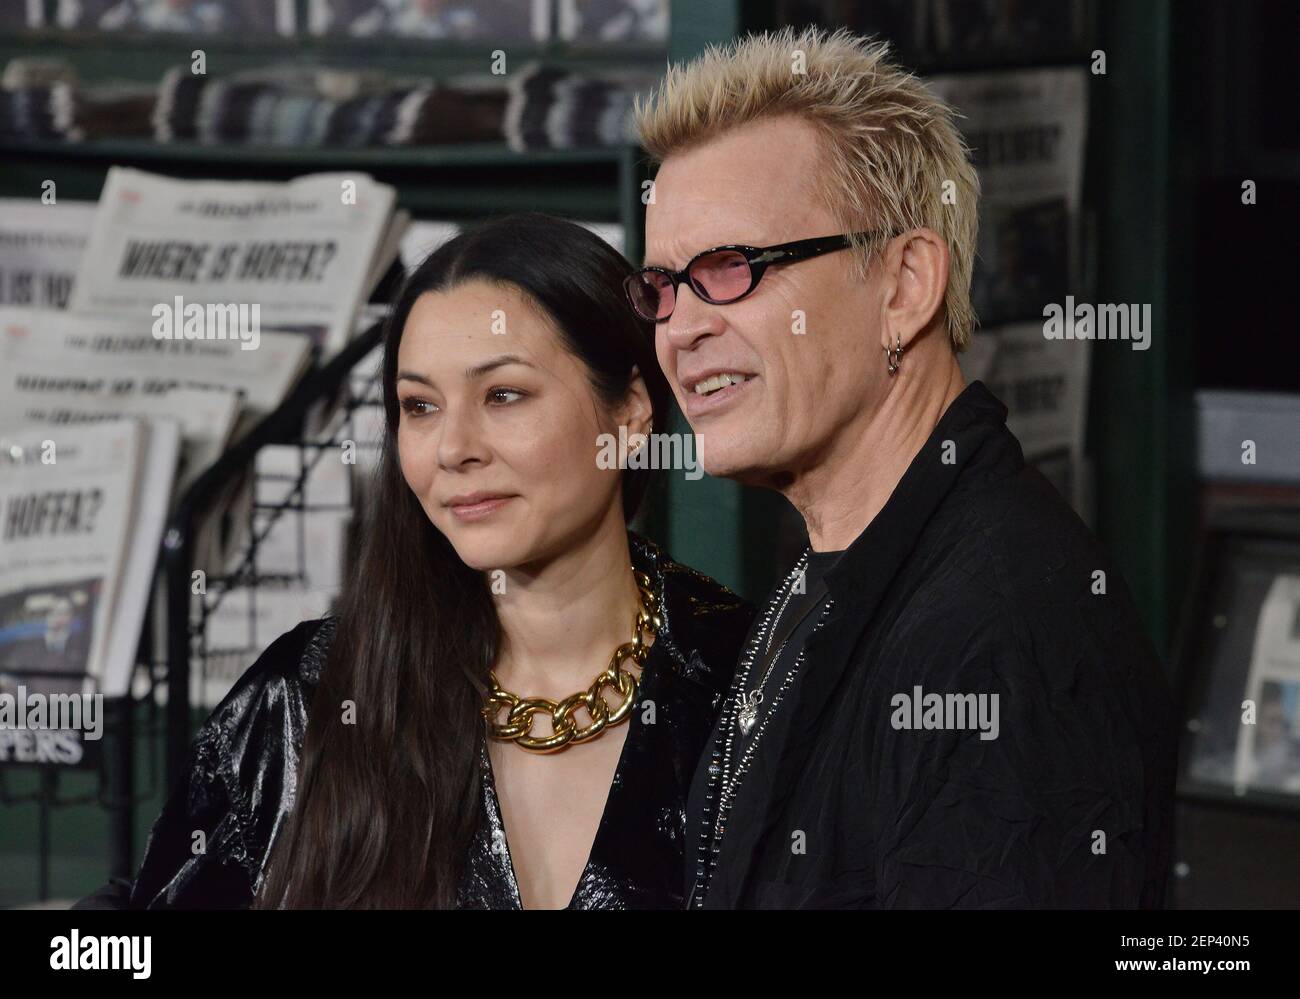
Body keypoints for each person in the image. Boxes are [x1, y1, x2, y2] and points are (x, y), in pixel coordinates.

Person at [628, 26, 1178, 908]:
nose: (680, 328)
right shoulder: (848, 561)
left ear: (905, 285)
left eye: (732, 269)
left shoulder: (998, 635)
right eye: (660, 286)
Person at [76, 212, 755, 909]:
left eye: (504, 394)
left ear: (632, 411)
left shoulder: (750, 681)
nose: (452, 446)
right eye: (420, 406)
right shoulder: (301, 701)